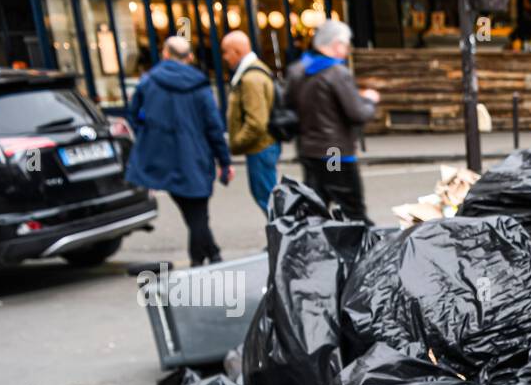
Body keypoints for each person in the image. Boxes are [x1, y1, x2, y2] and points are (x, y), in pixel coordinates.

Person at [127, 36, 232, 266]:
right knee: (197, 214)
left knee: (193, 213)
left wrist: (152, 136)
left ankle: (212, 253)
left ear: (165, 54)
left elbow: (134, 117)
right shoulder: (199, 84)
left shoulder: (148, 82)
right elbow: (213, 127)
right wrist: (224, 160)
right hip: (194, 157)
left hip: (163, 159)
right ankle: (200, 261)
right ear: (190, 57)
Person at [285, 20, 380, 222]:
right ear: (337, 45)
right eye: (346, 45)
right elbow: (357, 113)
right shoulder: (337, 73)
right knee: (350, 204)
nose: (347, 51)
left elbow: (291, 106)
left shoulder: (297, 71)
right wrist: (370, 100)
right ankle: (362, 249)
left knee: (316, 205)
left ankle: (314, 246)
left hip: (308, 149)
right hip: (333, 152)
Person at [221, 30, 279, 213]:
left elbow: (256, 123)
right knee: (267, 199)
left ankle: (283, 240)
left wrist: (236, 143)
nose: (224, 57)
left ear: (237, 51)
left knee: (267, 200)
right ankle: (279, 239)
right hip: (263, 146)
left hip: (260, 147)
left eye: (226, 52)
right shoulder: (252, 72)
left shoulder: (250, 78)